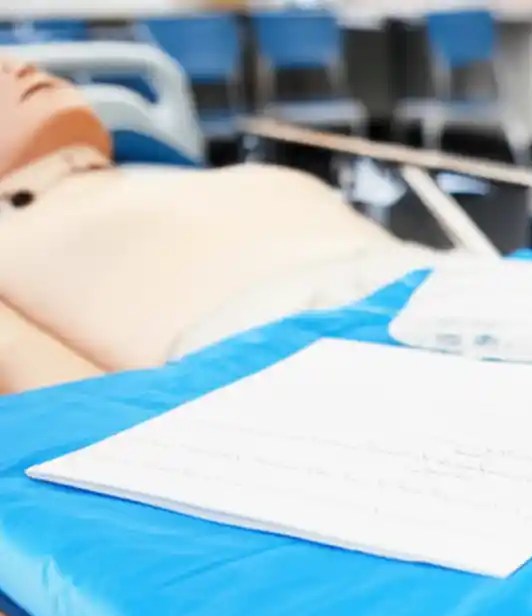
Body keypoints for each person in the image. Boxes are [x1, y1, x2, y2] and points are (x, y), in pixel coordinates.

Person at [0, 55, 437, 394]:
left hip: (446, 286)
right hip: (299, 353)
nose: (17, 66)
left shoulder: (196, 180)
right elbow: (71, 412)